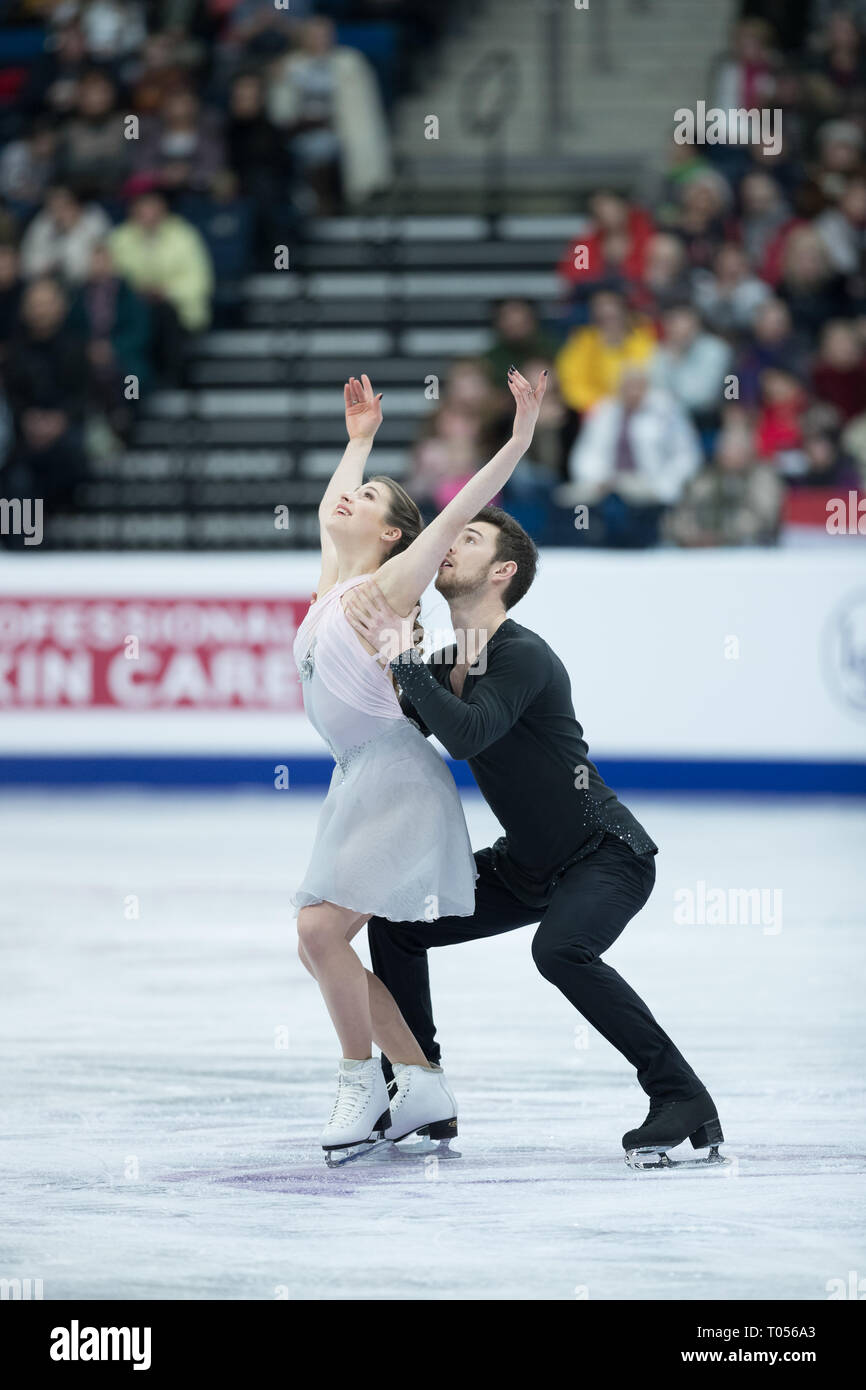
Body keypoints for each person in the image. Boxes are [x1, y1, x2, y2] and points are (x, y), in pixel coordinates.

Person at [343, 510, 724, 1165]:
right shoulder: (446, 661)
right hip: (527, 868)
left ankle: (681, 1095)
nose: (448, 545)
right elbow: (387, 719)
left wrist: (404, 659)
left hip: (607, 853)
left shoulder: (522, 654)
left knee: (561, 951)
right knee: (399, 922)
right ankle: (418, 1083)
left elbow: (464, 735)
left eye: (467, 538)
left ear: (503, 571)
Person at [293, 368, 547, 1161]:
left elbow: (462, 508)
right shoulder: (335, 585)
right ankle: (420, 1081)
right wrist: (358, 442)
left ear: (397, 533)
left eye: (369, 497)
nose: (351, 499)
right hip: (361, 778)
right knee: (318, 939)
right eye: (354, 492)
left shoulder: (390, 586)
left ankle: (362, 1079)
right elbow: (330, 516)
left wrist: (518, 440)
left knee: (320, 929)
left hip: (397, 779)